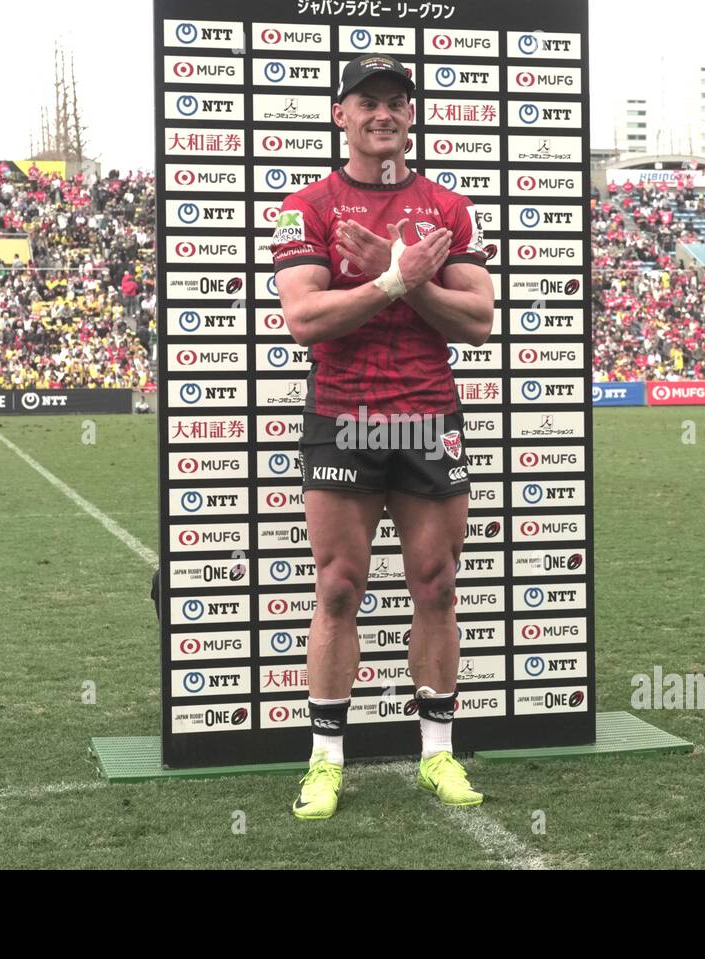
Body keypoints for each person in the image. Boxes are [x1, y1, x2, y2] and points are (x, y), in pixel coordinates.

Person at [271, 53, 494, 820]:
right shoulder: (307, 206)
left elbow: (476, 319)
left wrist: (404, 276)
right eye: (367, 102)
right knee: (338, 587)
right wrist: (398, 282)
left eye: (396, 102)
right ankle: (326, 761)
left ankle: (438, 753)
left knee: (435, 585)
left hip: (429, 413)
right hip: (344, 414)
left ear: (410, 116)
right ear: (341, 116)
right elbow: (306, 320)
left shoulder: (449, 208)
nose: (383, 115)